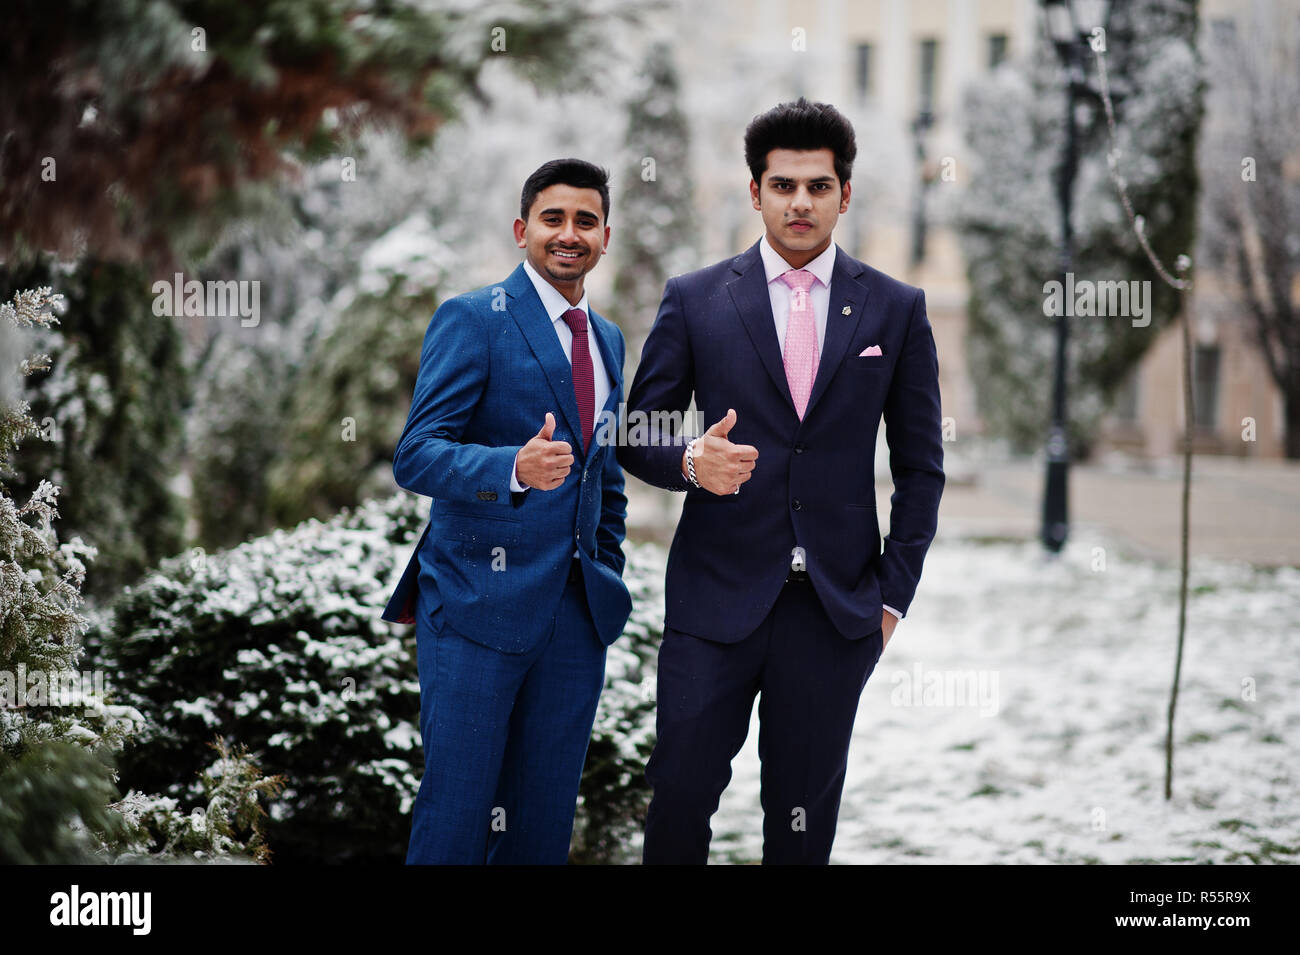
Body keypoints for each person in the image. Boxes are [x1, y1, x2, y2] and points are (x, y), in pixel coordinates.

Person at [618, 98, 944, 864]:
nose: (801, 202)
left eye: (819, 186)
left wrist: (890, 596)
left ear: (845, 194)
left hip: (833, 612)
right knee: (679, 806)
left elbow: (922, 465)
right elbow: (638, 432)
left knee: (800, 828)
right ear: (755, 191)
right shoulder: (695, 298)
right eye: (784, 185)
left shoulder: (896, 310)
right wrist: (693, 461)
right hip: (712, 604)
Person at [382, 158, 632, 864]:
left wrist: (603, 567)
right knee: (458, 814)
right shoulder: (473, 319)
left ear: (605, 237)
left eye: (585, 221)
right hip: (473, 608)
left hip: (575, 617)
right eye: (553, 219)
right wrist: (510, 469)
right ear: (523, 230)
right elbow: (417, 453)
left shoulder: (609, 340)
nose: (569, 234)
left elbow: (602, 475)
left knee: (540, 826)